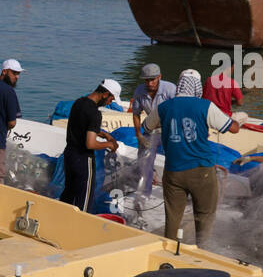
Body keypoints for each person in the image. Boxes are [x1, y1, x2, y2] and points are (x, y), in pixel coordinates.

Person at [144, 69, 241, 246]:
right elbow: (233, 128)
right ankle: (201, 254)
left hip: (173, 172)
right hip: (201, 171)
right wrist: (237, 119)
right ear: (197, 86)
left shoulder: (164, 107)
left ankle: (167, 255)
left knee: (172, 219)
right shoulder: (205, 106)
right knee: (204, 217)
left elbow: (147, 127)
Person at [60, 80, 121, 211]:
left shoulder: (79, 102)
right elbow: (90, 143)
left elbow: (81, 126)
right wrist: (109, 144)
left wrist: (102, 134)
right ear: (105, 94)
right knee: (83, 202)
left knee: (69, 194)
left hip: (70, 155)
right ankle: (79, 228)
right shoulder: (95, 113)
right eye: (111, 99)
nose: (109, 103)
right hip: (83, 159)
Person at [130, 63, 176, 201]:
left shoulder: (170, 89)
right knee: (144, 160)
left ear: (159, 77)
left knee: (176, 160)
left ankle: (175, 191)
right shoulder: (139, 91)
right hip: (152, 129)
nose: (149, 83)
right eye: (146, 80)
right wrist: (138, 135)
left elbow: (178, 111)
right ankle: (145, 192)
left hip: (171, 129)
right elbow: (136, 114)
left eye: (152, 79)